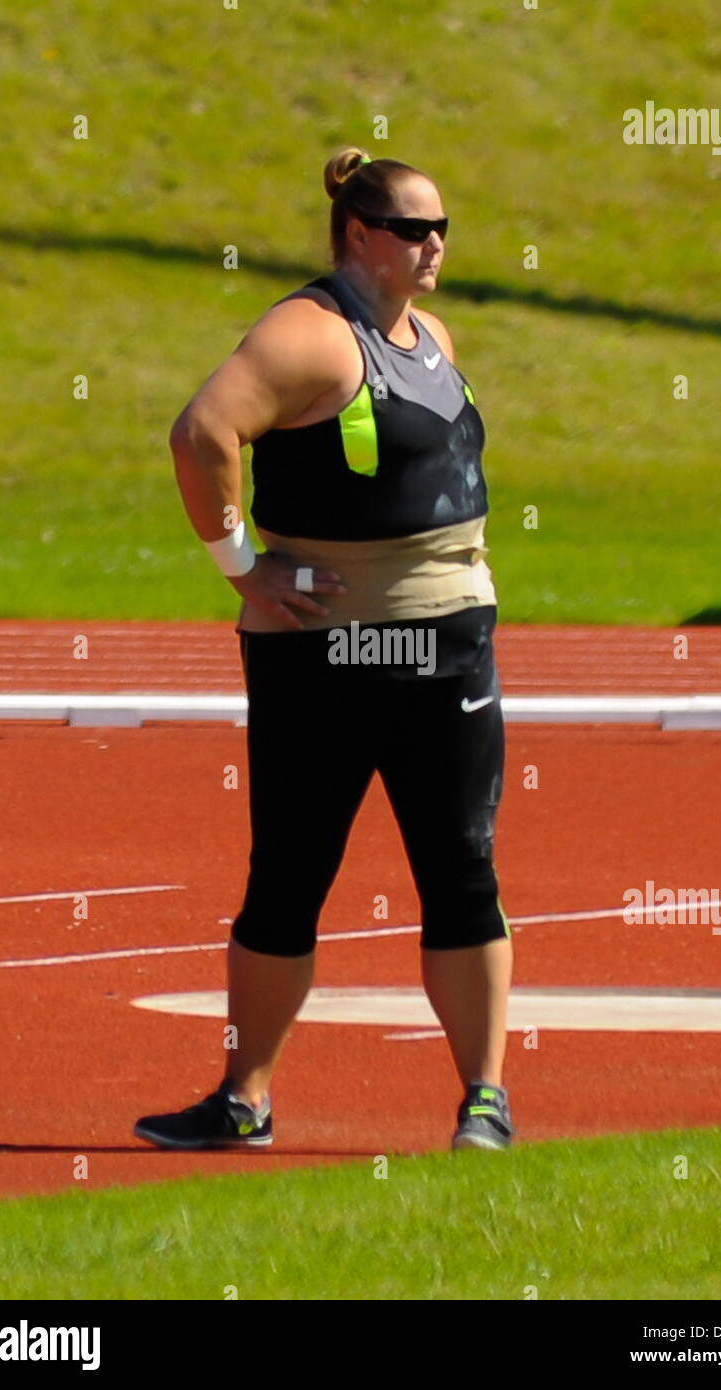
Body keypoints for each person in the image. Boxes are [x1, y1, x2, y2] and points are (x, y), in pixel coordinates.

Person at [134, 147, 514, 1153]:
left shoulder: (429, 331)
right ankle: (242, 1097)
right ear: (357, 235)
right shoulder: (306, 335)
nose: (433, 247)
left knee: (461, 869)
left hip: (447, 646)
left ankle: (484, 1099)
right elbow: (200, 432)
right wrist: (241, 564)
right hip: (326, 656)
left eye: (442, 230)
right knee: (289, 876)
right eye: (413, 230)